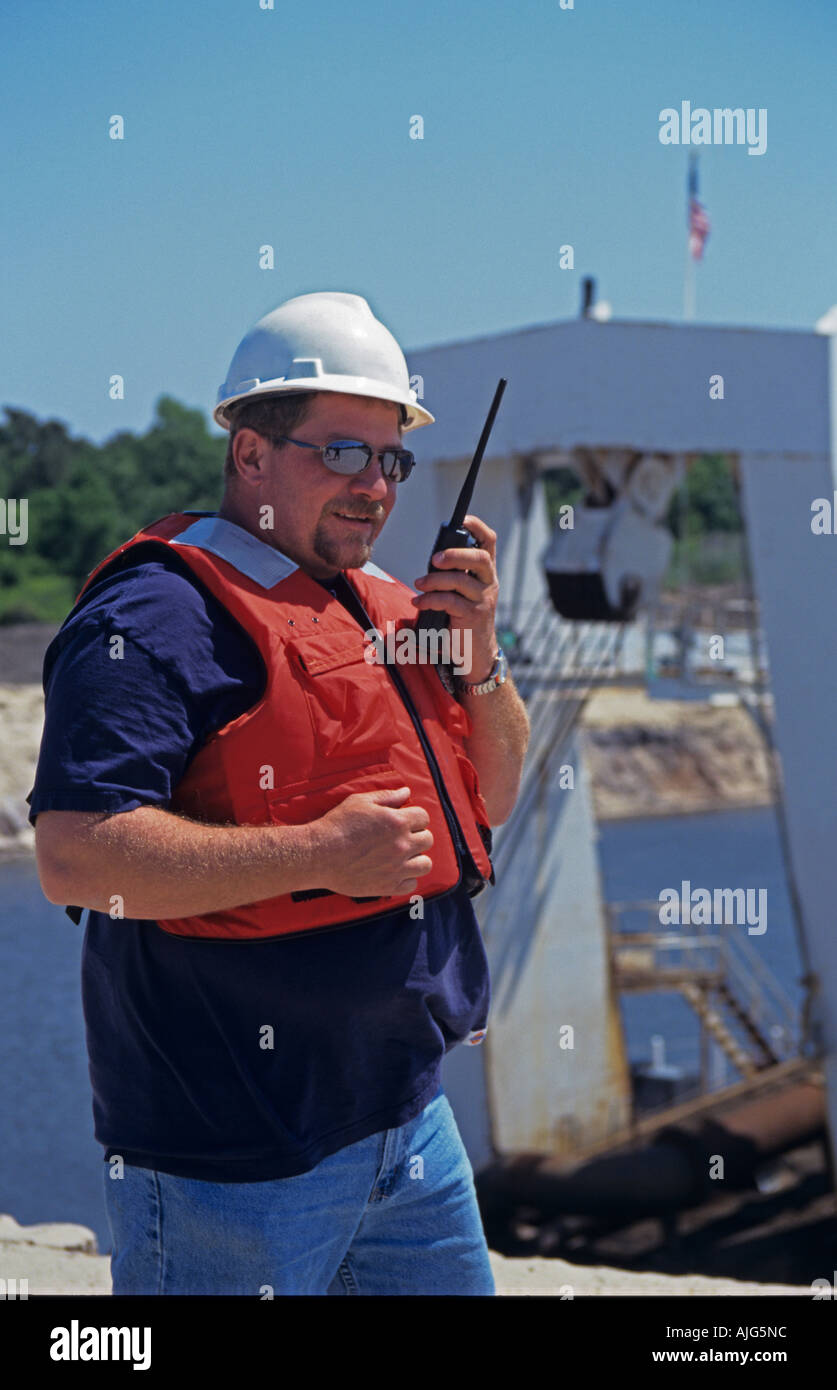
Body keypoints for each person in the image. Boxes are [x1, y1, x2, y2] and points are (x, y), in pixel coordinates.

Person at [28, 290, 530, 1296]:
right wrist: (318, 853)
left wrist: (480, 666)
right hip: (232, 1159)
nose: (374, 487)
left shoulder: (395, 608)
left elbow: (494, 797)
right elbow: (74, 854)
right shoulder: (156, 617)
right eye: (341, 452)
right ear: (250, 453)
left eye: (391, 460)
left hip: (409, 1121)